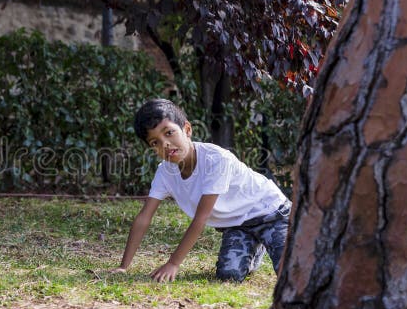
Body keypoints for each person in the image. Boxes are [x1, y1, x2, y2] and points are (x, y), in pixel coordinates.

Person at [112, 98, 291, 283]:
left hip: (272, 213)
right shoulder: (165, 171)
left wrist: (173, 263)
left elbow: (201, 218)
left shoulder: (216, 160)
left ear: (187, 129)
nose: (165, 144)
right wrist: (123, 267)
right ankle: (255, 248)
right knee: (229, 276)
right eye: (155, 142)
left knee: (289, 272)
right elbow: (144, 217)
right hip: (238, 224)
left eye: (169, 133)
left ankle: (288, 235)